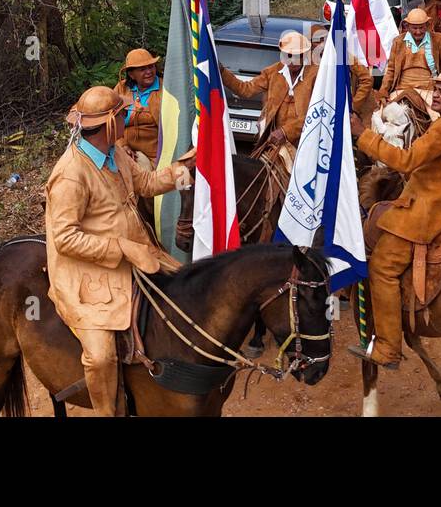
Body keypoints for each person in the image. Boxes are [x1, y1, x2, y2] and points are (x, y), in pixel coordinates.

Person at [44, 86, 192, 416]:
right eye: (123, 114)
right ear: (111, 124)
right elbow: (64, 238)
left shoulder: (116, 152)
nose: (129, 116)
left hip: (138, 251)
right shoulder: (70, 174)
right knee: (100, 357)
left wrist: (184, 171)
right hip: (88, 272)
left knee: (187, 289)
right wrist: (121, 248)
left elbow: (147, 184)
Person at [346, 67, 441, 369]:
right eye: (435, 88)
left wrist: (363, 135)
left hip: (431, 209)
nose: (435, 94)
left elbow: (406, 159)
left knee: (382, 267)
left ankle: (387, 348)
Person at [220, 30, 318, 182]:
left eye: (296, 56)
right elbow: (245, 90)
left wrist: (285, 132)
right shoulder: (272, 73)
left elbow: (317, 112)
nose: (292, 60)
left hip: (306, 142)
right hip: (273, 143)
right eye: (288, 55)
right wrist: (222, 72)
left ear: (304, 55)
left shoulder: (316, 75)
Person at [378, 8, 441, 108]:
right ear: (407, 26)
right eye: (414, 28)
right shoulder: (398, 42)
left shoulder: (440, 40)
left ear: (427, 25)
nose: (418, 32)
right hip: (402, 88)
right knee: (383, 117)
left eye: (421, 28)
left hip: (429, 90)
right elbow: (391, 70)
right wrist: (383, 91)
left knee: (437, 118)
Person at [112, 48, 161, 165]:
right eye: (142, 69)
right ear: (131, 74)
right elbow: (110, 120)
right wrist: (122, 144)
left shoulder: (164, 89)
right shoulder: (121, 88)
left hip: (156, 153)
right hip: (124, 149)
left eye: (151, 67)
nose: (149, 71)